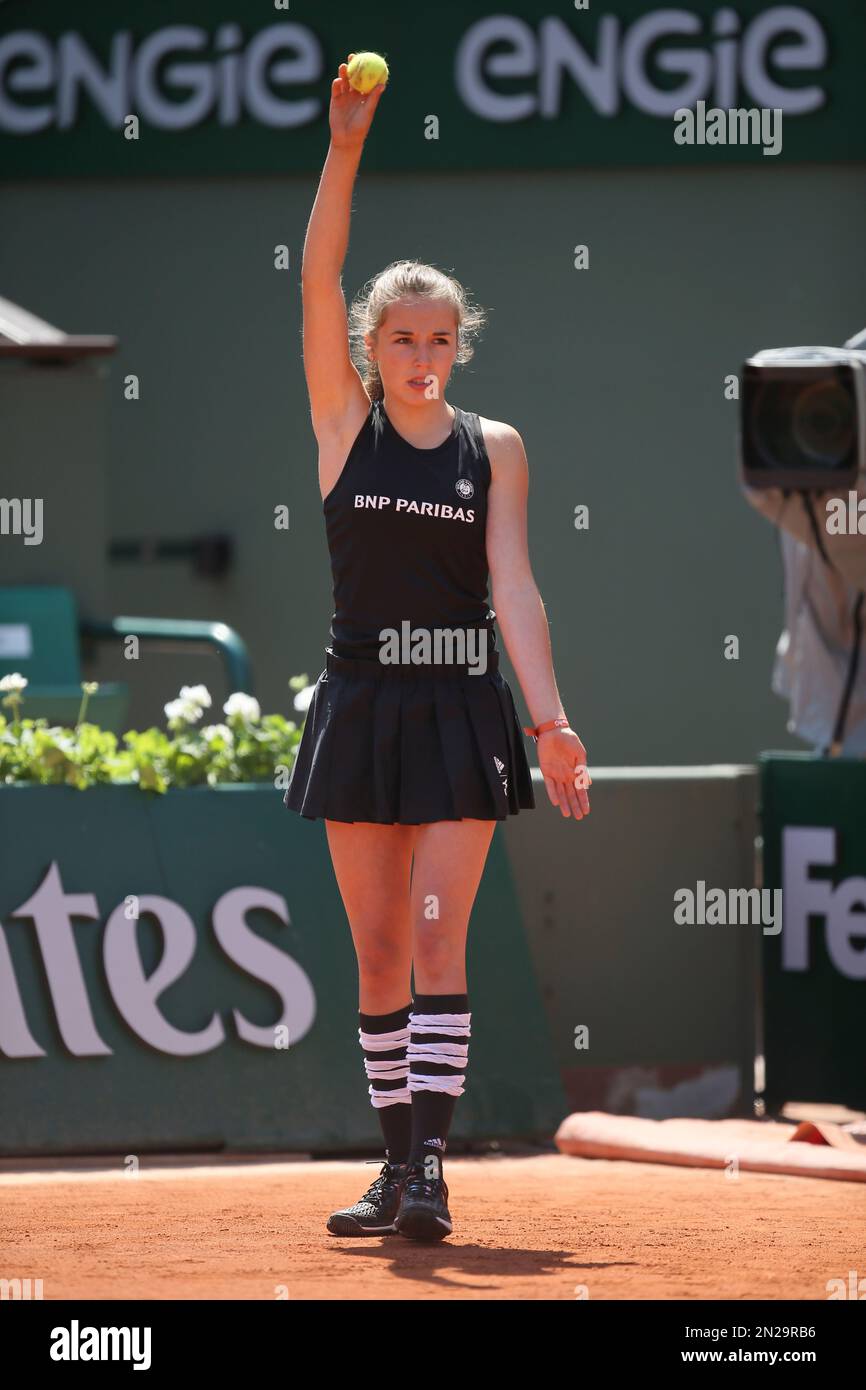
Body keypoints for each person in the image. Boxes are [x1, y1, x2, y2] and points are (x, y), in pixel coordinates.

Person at [284, 56, 591, 1242]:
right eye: (402, 337)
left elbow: (513, 583)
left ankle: (431, 1177)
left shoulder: (493, 446)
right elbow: (315, 279)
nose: (422, 355)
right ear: (372, 344)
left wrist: (548, 717)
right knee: (372, 953)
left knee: (431, 934)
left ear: (459, 346)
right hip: (361, 700)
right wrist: (345, 146)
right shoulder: (339, 421)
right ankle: (393, 1161)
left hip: (461, 703)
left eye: (441, 339)